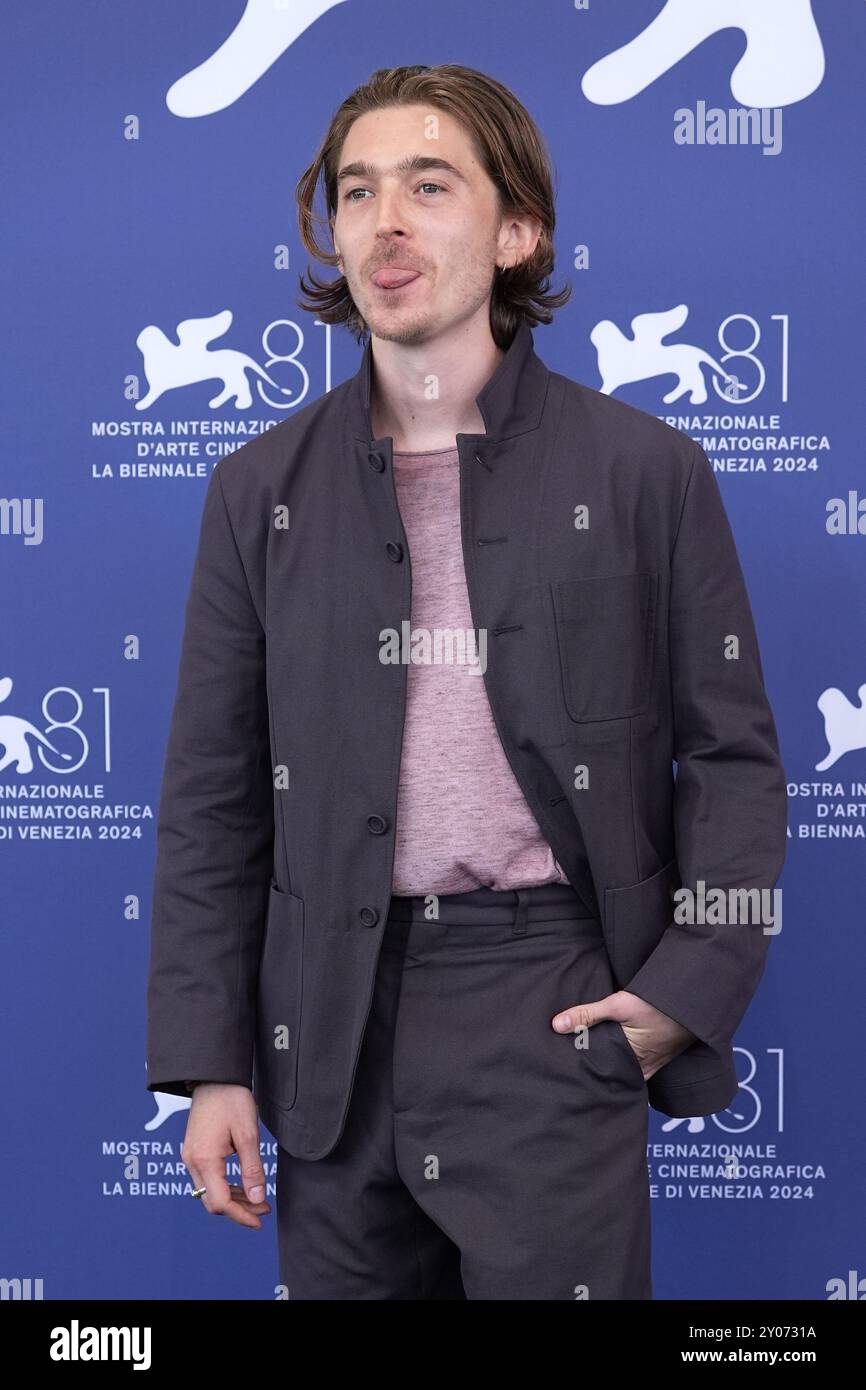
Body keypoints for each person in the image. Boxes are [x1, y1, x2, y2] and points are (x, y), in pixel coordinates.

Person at [146, 64, 788, 1300]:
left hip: (550, 1002)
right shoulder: (254, 491)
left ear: (515, 231)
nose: (384, 221)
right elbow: (211, 798)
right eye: (356, 191)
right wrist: (211, 1062)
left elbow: (733, 764)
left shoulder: (647, 471)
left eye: (428, 185)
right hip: (329, 1026)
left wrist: (677, 995)